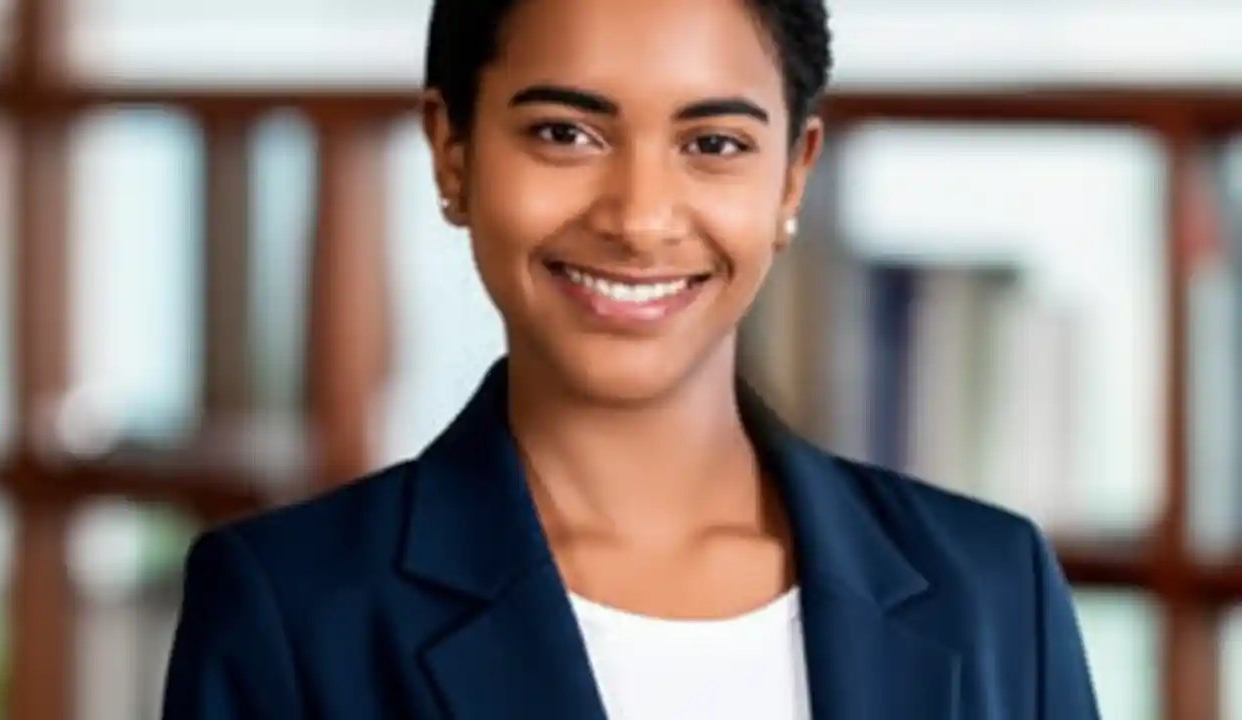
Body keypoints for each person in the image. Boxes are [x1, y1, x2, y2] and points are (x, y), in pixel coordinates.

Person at [162, 0, 1102, 717]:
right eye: (565, 133)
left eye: (714, 143)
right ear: (451, 152)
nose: (640, 217)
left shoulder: (993, 589)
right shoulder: (293, 610)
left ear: (793, 175)